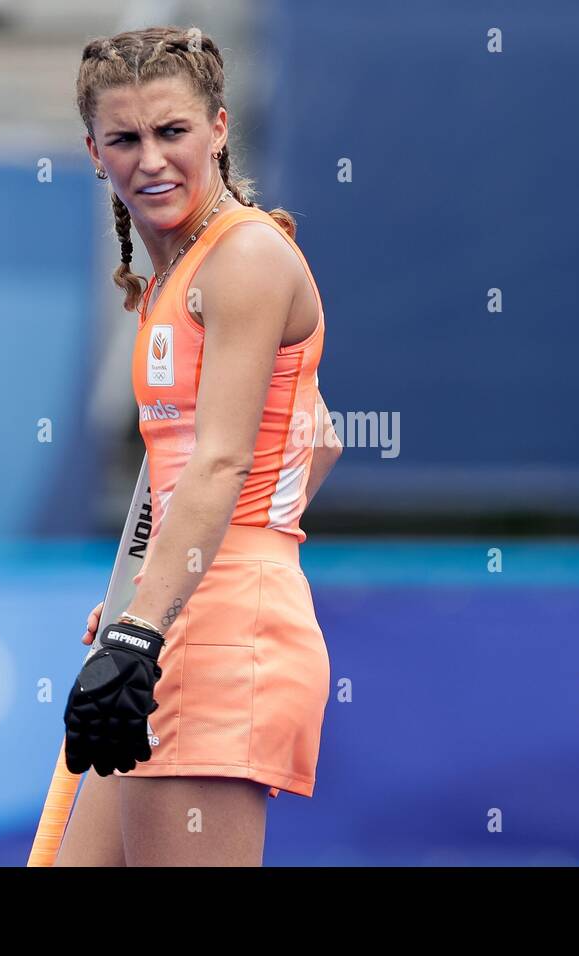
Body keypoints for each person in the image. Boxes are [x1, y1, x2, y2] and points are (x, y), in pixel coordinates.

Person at [55, 26, 342, 867]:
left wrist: (141, 625)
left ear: (219, 127)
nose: (151, 159)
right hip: (174, 614)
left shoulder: (246, 255)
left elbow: (221, 463)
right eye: (125, 138)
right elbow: (314, 441)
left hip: (218, 636)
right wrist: (151, 593)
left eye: (172, 131)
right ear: (93, 151)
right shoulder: (175, 278)